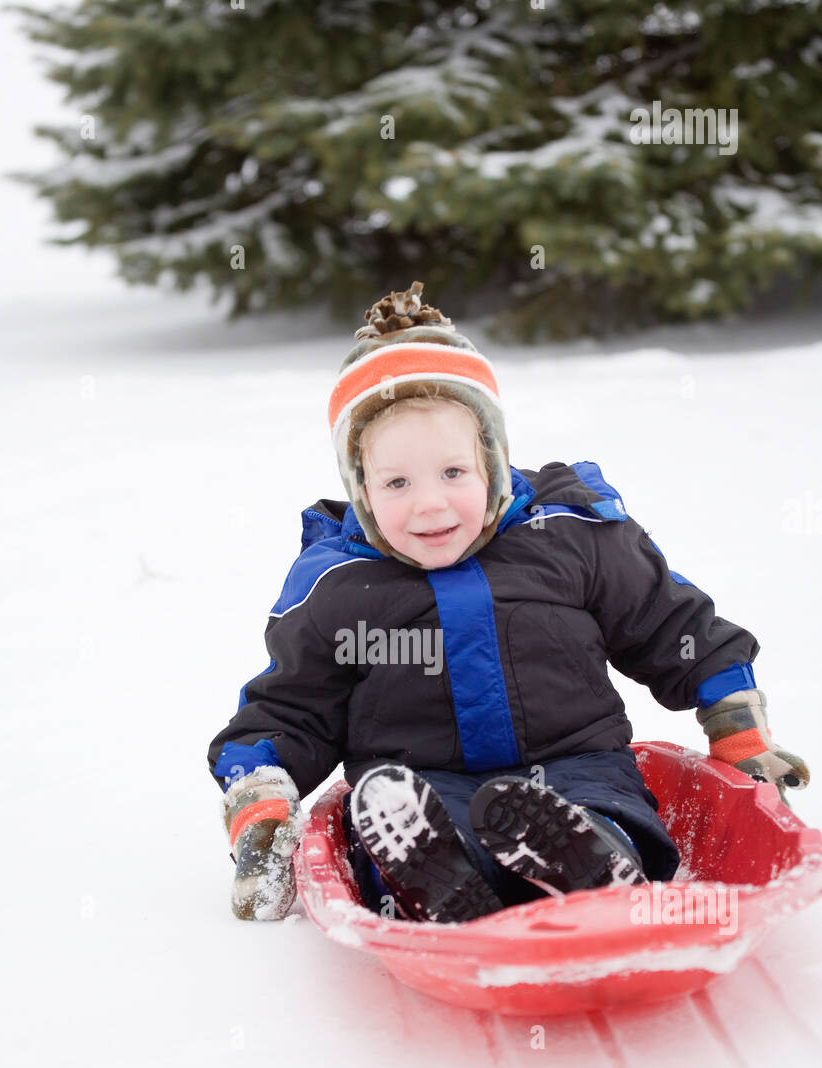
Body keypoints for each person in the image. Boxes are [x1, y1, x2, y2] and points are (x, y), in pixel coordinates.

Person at [207, 282, 810, 922]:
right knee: (389, 815)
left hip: (577, 764)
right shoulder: (339, 585)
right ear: (359, 489)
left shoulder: (569, 535)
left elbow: (671, 626)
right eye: (396, 482)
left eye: (453, 473)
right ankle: (439, 876)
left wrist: (737, 725)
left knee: (609, 806)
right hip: (423, 784)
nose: (430, 503)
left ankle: (597, 859)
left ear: (493, 462)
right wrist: (261, 800)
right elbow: (293, 706)